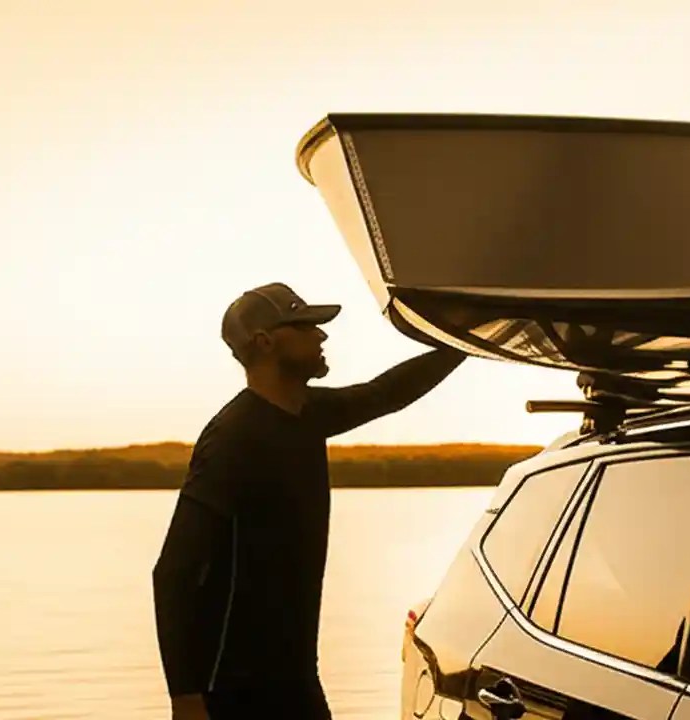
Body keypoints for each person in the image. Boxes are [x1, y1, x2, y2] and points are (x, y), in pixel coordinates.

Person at [152, 282, 465, 719]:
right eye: (304, 326)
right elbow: (174, 572)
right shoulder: (233, 439)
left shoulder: (307, 415)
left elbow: (384, 394)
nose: (321, 336)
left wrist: (463, 343)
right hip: (234, 691)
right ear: (265, 342)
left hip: (295, 680)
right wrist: (184, 698)